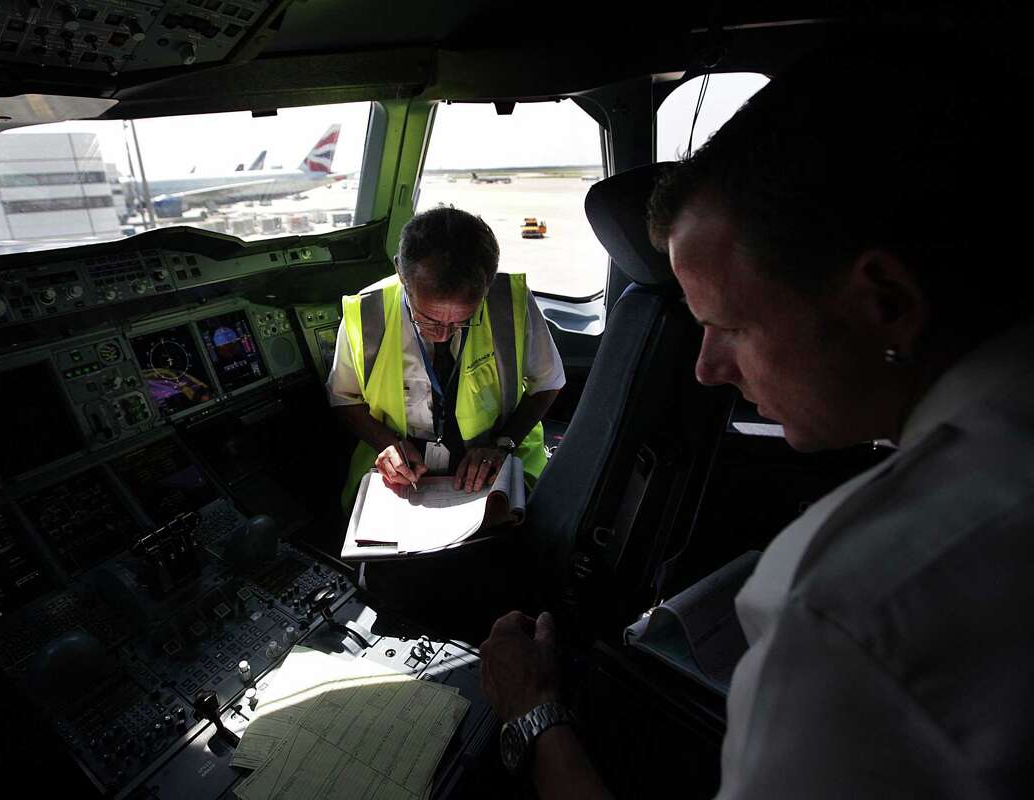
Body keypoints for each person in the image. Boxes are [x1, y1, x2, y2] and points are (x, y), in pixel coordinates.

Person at [480, 37, 1034, 798]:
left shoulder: (844, 610)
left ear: (887, 306)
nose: (707, 369)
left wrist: (532, 714)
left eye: (731, 327)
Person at [327, 206, 565, 510]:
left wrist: (503, 445)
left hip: (498, 453)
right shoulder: (366, 312)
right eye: (426, 319)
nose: (441, 335)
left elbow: (548, 383)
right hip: (399, 466)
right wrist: (386, 443)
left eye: (461, 321)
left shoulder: (509, 302)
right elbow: (344, 398)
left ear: (487, 286)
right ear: (402, 273)